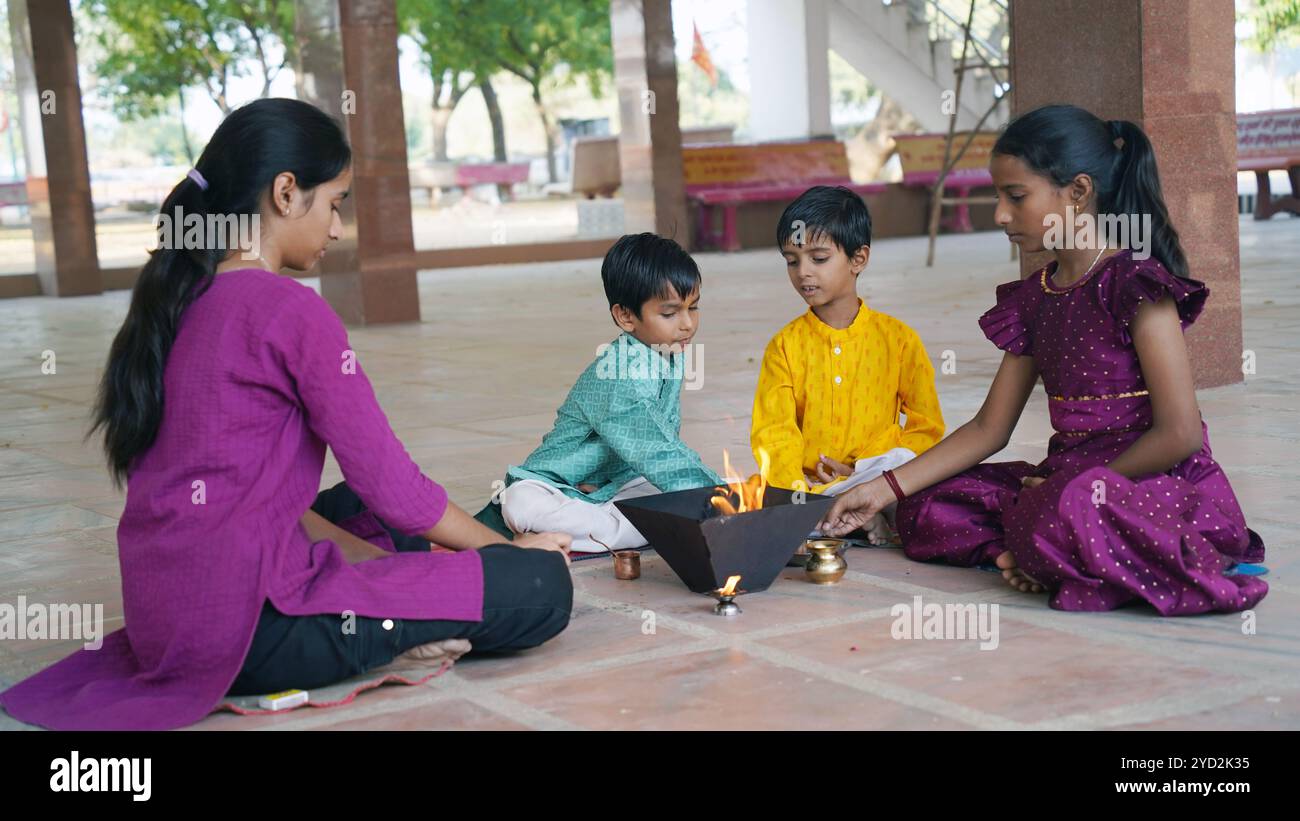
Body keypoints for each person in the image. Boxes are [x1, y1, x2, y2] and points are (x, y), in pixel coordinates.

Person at [0, 98, 573, 731]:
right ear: (284, 192)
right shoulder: (288, 311)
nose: (335, 229)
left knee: (361, 511)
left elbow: (294, 500)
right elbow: (398, 491)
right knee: (541, 593)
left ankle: (414, 589)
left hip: (167, 617)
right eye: (334, 204)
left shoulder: (180, 298)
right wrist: (510, 554)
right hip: (246, 632)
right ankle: (430, 600)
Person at [818, 104, 1267, 614]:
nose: (1001, 215)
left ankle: (1046, 546)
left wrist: (1082, 485)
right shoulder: (1037, 297)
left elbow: (1180, 434)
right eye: (998, 197)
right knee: (925, 506)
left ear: (1077, 192)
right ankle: (1040, 552)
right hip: (1060, 482)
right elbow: (989, 428)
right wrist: (881, 490)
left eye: (1016, 196)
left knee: (1062, 511)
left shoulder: (1135, 285)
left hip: (1148, 483)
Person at [752, 185, 944, 541]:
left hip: (878, 474)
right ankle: (853, 515)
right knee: (763, 504)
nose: (803, 272)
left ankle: (863, 508)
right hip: (814, 487)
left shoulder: (898, 339)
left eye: (818, 258)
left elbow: (926, 428)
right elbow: (773, 434)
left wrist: (860, 468)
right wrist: (794, 487)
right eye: (792, 260)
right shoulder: (784, 347)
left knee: (913, 474)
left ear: (858, 259)